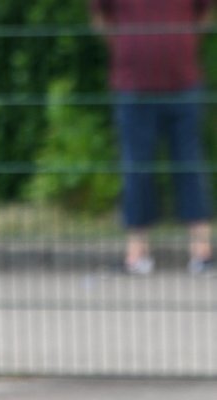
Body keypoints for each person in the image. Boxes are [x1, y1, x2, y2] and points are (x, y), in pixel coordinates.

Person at [89, 0, 214, 274]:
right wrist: (126, 47)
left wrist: (185, 41)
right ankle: (136, 254)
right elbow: (100, 17)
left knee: (190, 164)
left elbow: (205, 13)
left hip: (183, 82)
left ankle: (202, 253)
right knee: (136, 167)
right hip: (133, 85)